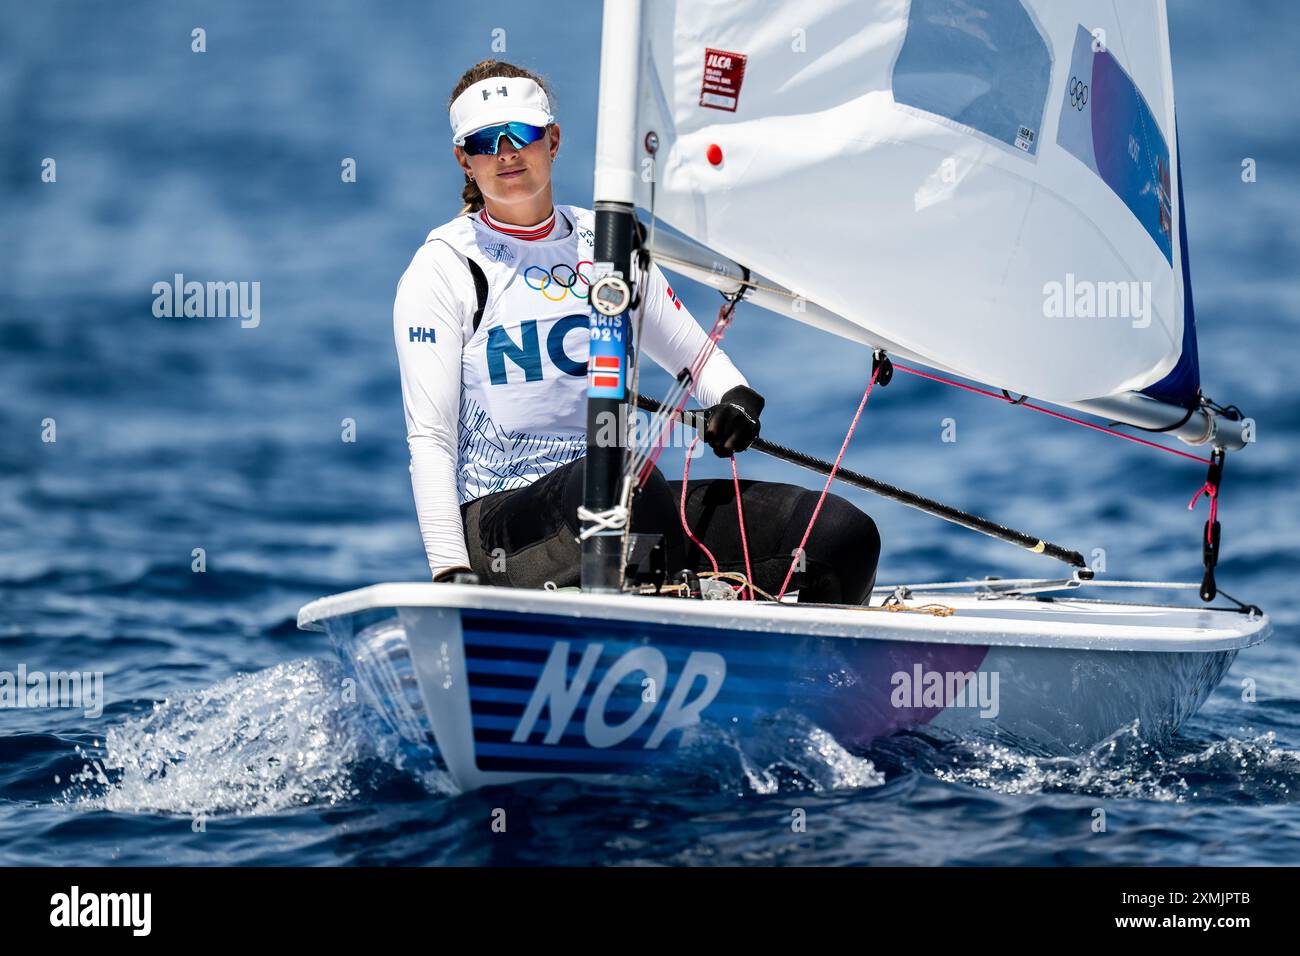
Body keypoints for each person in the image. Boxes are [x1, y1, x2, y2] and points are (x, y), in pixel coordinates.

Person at [393, 59, 880, 603]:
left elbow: (699, 361)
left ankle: (793, 674)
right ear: (464, 159)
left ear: (553, 140)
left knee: (840, 534)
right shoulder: (443, 268)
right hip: (505, 527)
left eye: (523, 133)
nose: (507, 151)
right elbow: (431, 439)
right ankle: (670, 619)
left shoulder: (608, 242)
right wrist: (448, 576)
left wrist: (733, 400)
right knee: (625, 479)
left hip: (628, 508)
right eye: (486, 140)